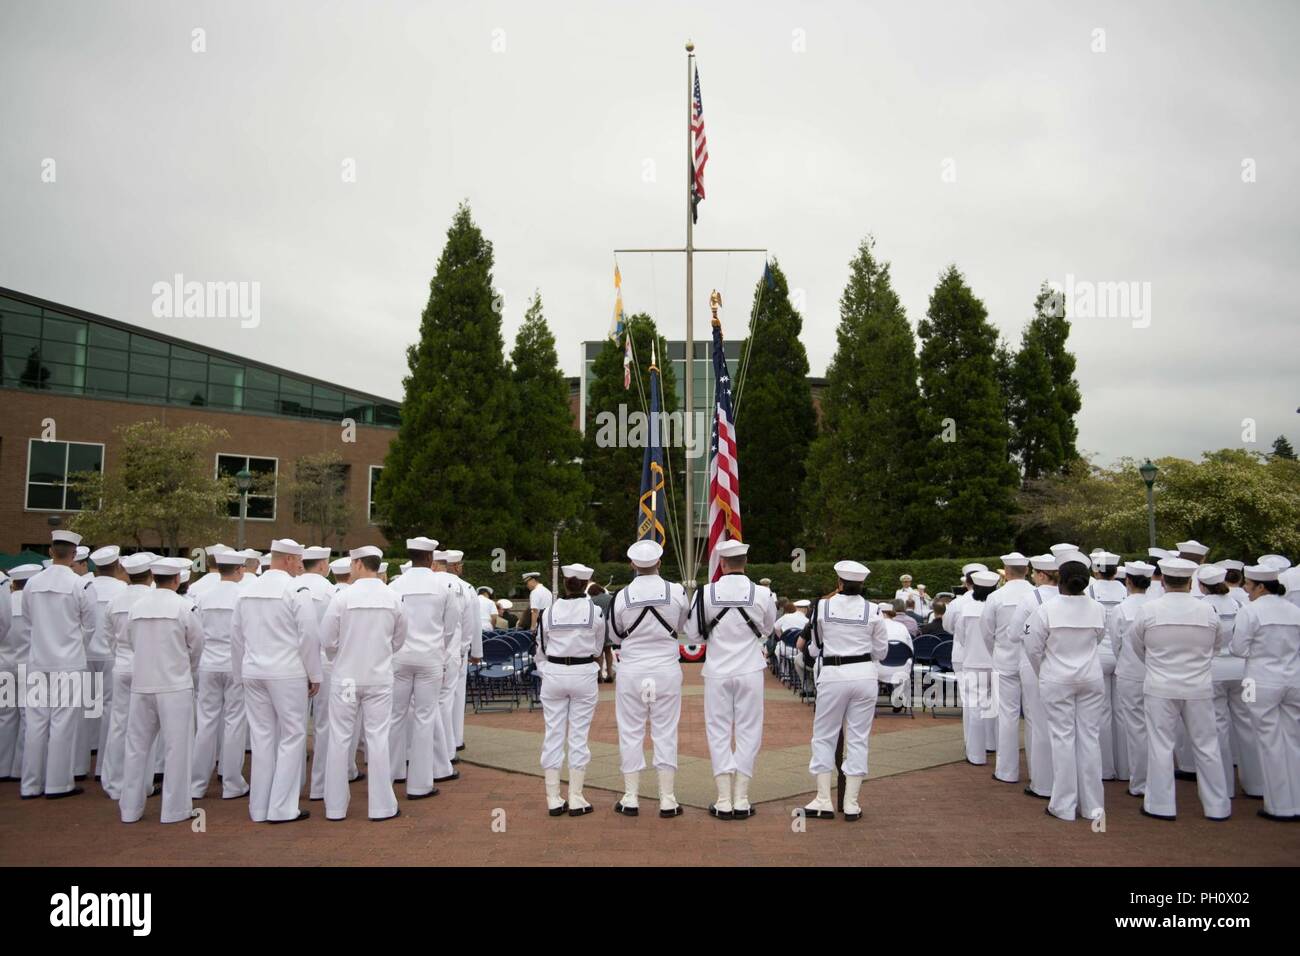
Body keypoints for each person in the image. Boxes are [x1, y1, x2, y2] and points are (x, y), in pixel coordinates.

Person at [1129, 556, 1232, 822]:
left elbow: (1137, 645)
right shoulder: (1207, 612)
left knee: (1161, 745)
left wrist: (1157, 666)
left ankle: (1161, 805)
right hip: (1198, 686)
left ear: (1163, 581)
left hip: (1160, 685)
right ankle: (1217, 806)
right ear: (1190, 582)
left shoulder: (1149, 610)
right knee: (1207, 745)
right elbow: (1216, 646)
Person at [229, 538, 321, 824]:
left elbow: (236, 636)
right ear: (288, 560)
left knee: (262, 738)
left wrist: (239, 673)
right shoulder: (296, 589)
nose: (300, 567)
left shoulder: (247, 589)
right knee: (292, 736)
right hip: (287, 672)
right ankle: (282, 807)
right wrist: (314, 674)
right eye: (298, 561)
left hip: (253, 671)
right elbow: (308, 636)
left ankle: (259, 807)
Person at [684, 540, 775, 820]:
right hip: (750, 670)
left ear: (722, 564)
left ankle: (723, 798)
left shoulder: (705, 592)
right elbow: (768, 629)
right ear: (744, 563)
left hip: (717, 671)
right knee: (749, 730)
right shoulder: (763, 593)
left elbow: (694, 635)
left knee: (718, 730)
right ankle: (742, 797)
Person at [318, 546, 406, 821]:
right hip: (378, 677)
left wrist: (341, 657)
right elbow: (399, 638)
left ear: (357, 564)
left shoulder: (343, 598)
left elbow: (327, 640)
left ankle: (334, 807)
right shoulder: (393, 597)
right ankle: (381, 806)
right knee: (378, 739)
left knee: (339, 739)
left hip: (346, 677)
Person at [797, 561, 890, 822]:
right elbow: (881, 652)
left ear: (839, 583)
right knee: (859, 738)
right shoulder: (874, 610)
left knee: (824, 736)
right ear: (862, 584)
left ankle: (823, 799)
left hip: (833, 674)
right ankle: (851, 803)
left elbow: (813, 648)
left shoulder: (822, 606)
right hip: (864, 674)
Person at [606, 539, 689, 817]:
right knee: (666, 731)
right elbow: (681, 625)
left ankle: (631, 797)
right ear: (659, 563)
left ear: (632, 565)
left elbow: (615, 634)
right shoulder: (676, 591)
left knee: (630, 731)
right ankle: (668, 799)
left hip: (632, 669)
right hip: (665, 669)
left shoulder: (621, 596)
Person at [1023, 550, 1106, 823]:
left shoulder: (1045, 610)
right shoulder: (1098, 609)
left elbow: (1033, 649)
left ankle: (1064, 805)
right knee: (1090, 740)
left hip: (1057, 678)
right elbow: (1099, 638)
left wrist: (1044, 672)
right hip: (1091, 678)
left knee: (1063, 740)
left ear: (1061, 581)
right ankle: (1094, 806)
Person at [119, 557, 203, 824]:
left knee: (136, 748)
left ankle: (130, 808)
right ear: (177, 579)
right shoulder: (184, 607)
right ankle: (174, 809)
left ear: (154, 578)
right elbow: (197, 645)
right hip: (175, 685)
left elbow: (129, 641)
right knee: (177, 748)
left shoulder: (137, 607)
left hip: (142, 683)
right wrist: (184, 668)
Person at [21, 530, 96, 800]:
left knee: (36, 723)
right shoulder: (79, 585)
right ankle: (57, 784)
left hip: (38, 661)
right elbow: (90, 625)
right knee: (63, 723)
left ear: (51, 552)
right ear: (74, 555)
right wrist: (73, 645)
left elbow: (29, 622)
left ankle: (30, 784)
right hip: (69, 662)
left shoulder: (32, 584)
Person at [1230, 563, 1300, 821]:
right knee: (1292, 739)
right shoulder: (1294, 610)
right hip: (1294, 679)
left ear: (1260, 586)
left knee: (1269, 741)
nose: (1245, 589)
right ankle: (1296, 801)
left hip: (1260, 681)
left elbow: (1238, 648)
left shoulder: (1251, 611)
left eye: (1248, 584)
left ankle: (1279, 805)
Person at [387, 536, 456, 799]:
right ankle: (420, 784)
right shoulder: (442, 587)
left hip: (400, 657)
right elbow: (450, 629)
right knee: (425, 718)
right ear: (430, 558)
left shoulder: (395, 585)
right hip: (430, 658)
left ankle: (391, 774)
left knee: (395, 716)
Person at [536, 563, 605, 816]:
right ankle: (576, 797)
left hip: (554, 672)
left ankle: (553, 798)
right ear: (587, 583)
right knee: (579, 736)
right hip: (583, 672)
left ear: (565, 583)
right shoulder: (595, 611)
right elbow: (598, 649)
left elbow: (540, 648)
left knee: (553, 734)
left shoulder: (548, 612)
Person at [190, 550, 250, 800]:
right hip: (234, 663)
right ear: (238, 570)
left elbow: (196, 633)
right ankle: (231, 781)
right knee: (234, 722)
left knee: (206, 723)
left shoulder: (204, 597)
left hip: (208, 663)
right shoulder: (243, 595)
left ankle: (197, 783)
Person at [1200, 565, 1263, 800]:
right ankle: (1256, 784)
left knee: (1218, 728)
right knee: (1247, 725)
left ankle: (1224, 787)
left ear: (1202, 585)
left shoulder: (1204, 607)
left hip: (1214, 671)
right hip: (1241, 671)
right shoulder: (1239, 604)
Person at [1008, 554, 1061, 800]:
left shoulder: (1032, 598)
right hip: (1068, 663)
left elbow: (1015, 633)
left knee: (1038, 723)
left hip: (1035, 662)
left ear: (1041, 575)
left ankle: (1042, 782)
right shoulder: (1072, 596)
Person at [296, 546, 347, 803]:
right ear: (323, 565)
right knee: (324, 726)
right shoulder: (330, 591)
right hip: (325, 662)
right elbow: (333, 634)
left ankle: (292, 787)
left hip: (293, 663)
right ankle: (319, 786)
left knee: (292, 729)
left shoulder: (291, 586)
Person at [982, 552, 1035, 783]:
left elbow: (986, 631)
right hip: (1031, 661)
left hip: (1004, 659)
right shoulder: (1037, 595)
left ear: (1006, 569)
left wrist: (997, 649)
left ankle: (1006, 770)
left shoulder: (996, 596)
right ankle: (1039, 773)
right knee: (1035, 717)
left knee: (1007, 715)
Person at [77, 545, 126, 781]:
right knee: (110, 708)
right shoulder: (123, 589)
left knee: (87, 706)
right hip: (110, 654)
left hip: (85, 652)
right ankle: (102, 766)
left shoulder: (86, 587)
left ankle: (81, 762)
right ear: (117, 565)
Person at [1111, 560, 1155, 799]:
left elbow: (1116, 642)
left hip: (1130, 671)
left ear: (1127, 581)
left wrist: (1126, 661)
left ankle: (1139, 782)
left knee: (1136, 727)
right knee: (1158, 729)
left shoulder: (1122, 609)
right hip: (1156, 672)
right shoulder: (1156, 606)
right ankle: (1157, 780)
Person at [951, 569, 1001, 765]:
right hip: (995, 662)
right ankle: (994, 745)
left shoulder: (967, 608)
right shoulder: (997, 607)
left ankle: (976, 755)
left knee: (974, 708)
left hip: (973, 661)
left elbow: (961, 636)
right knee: (995, 707)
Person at [1086, 552, 1128, 781]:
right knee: (1121, 713)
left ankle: (1104, 769)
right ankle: (1125, 769)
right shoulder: (1124, 590)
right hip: (1121, 655)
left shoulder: (1090, 590)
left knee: (1102, 713)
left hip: (1100, 654)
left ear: (1095, 569)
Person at [1, 565, 41, 780]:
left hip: (5, 664)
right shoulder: (33, 605)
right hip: (28, 666)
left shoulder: (6, 602)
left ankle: (2, 767)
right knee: (28, 717)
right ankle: (19, 769)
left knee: (5, 718)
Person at [447, 551, 482, 755]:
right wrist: (475, 651)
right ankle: (455, 739)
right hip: (457, 650)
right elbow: (473, 624)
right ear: (456, 566)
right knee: (456, 696)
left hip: (433, 651)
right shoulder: (466, 588)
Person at [586, 582, 616, 683]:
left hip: (598, 627)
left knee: (598, 652)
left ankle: (599, 675)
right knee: (608, 650)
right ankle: (610, 673)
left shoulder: (591, 601)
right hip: (610, 626)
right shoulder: (610, 598)